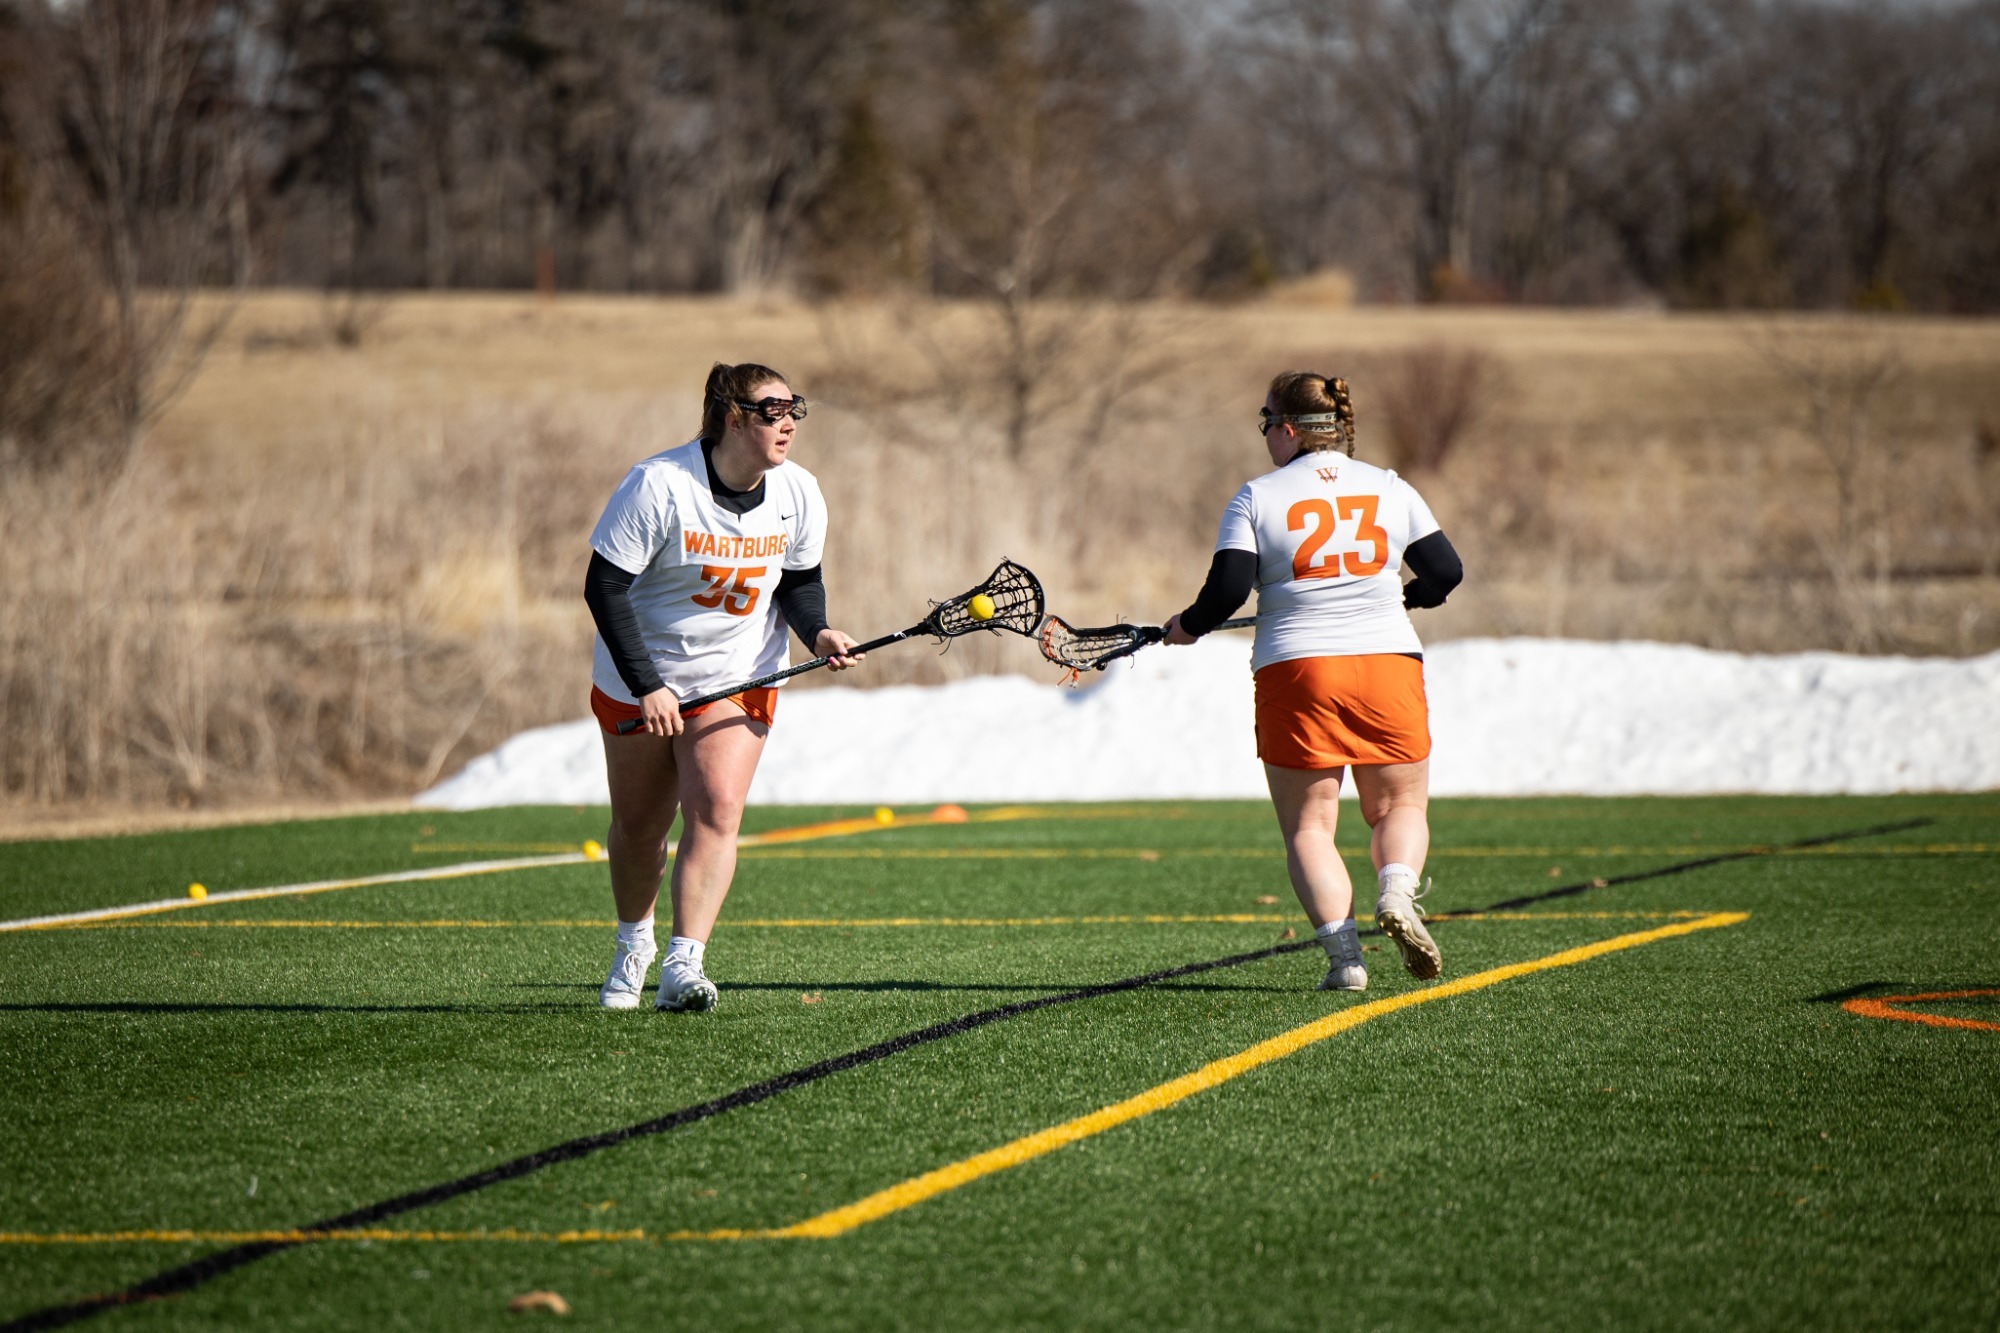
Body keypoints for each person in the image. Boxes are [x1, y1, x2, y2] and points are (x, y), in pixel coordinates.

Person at [1164, 371, 1463, 992]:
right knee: (1399, 806)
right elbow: (1446, 572)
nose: (1266, 436)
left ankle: (1345, 961)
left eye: (1267, 424)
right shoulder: (1389, 486)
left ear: (1289, 429)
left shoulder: (1256, 496)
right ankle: (1399, 894)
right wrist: (1415, 596)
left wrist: (1188, 627)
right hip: (1388, 662)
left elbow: (1225, 592)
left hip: (1298, 667)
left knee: (1310, 827)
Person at [581, 362, 863, 1012]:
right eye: (773, 410)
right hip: (642, 674)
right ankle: (634, 942)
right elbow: (605, 586)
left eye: (795, 408)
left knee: (716, 807)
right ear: (734, 417)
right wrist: (647, 684)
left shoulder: (799, 493)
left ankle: (685, 962)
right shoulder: (659, 484)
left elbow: (799, 581)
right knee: (639, 825)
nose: (788, 421)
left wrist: (817, 632)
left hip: (739, 670)